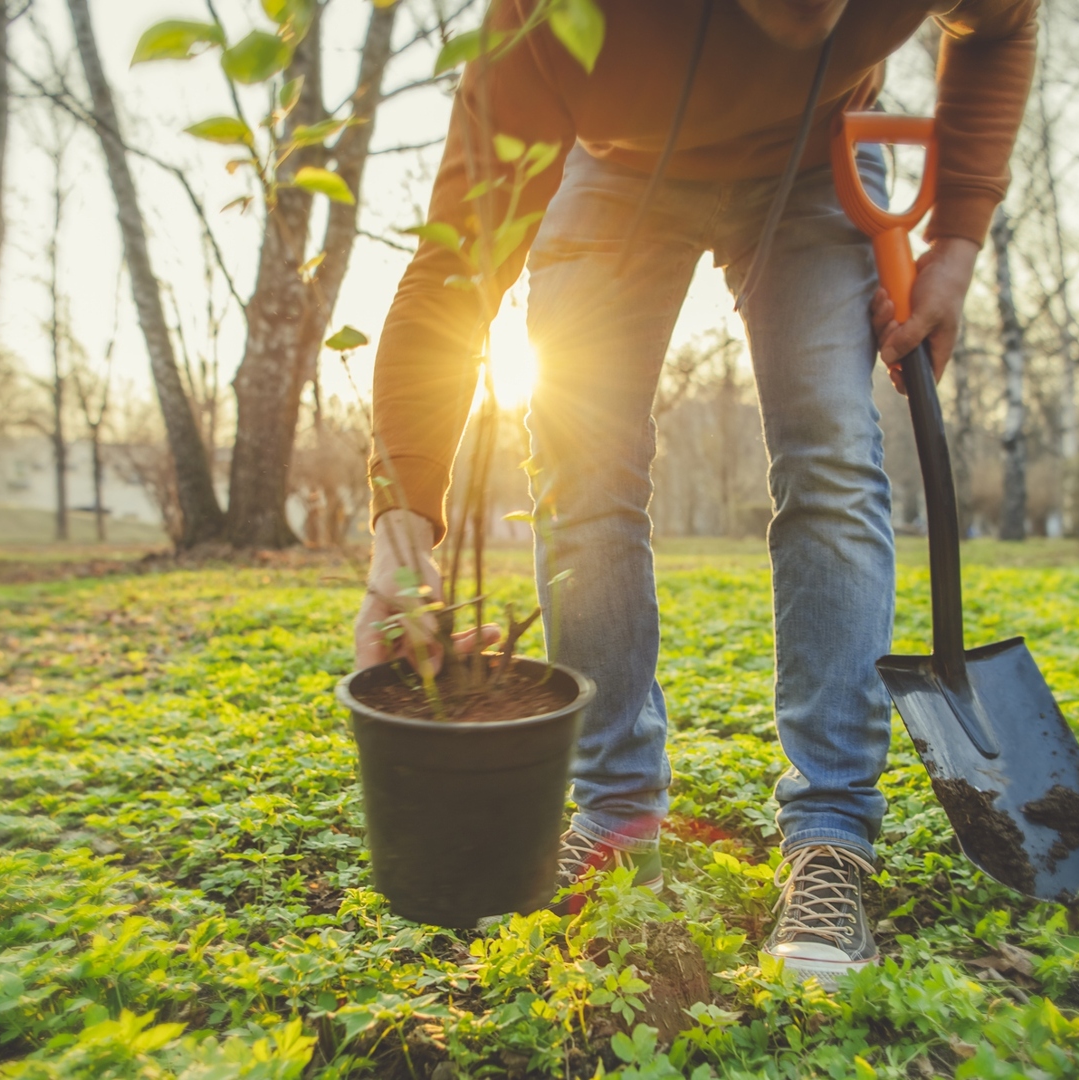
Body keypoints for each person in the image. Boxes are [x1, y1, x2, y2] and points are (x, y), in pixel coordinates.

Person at [354, 0, 1036, 986]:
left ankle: (832, 837)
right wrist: (400, 526)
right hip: (612, 167)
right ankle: (618, 813)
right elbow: (457, 261)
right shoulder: (552, 16)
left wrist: (960, 242)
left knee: (833, 453)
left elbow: (1001, 26)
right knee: (581, 461)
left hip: (817, 162)